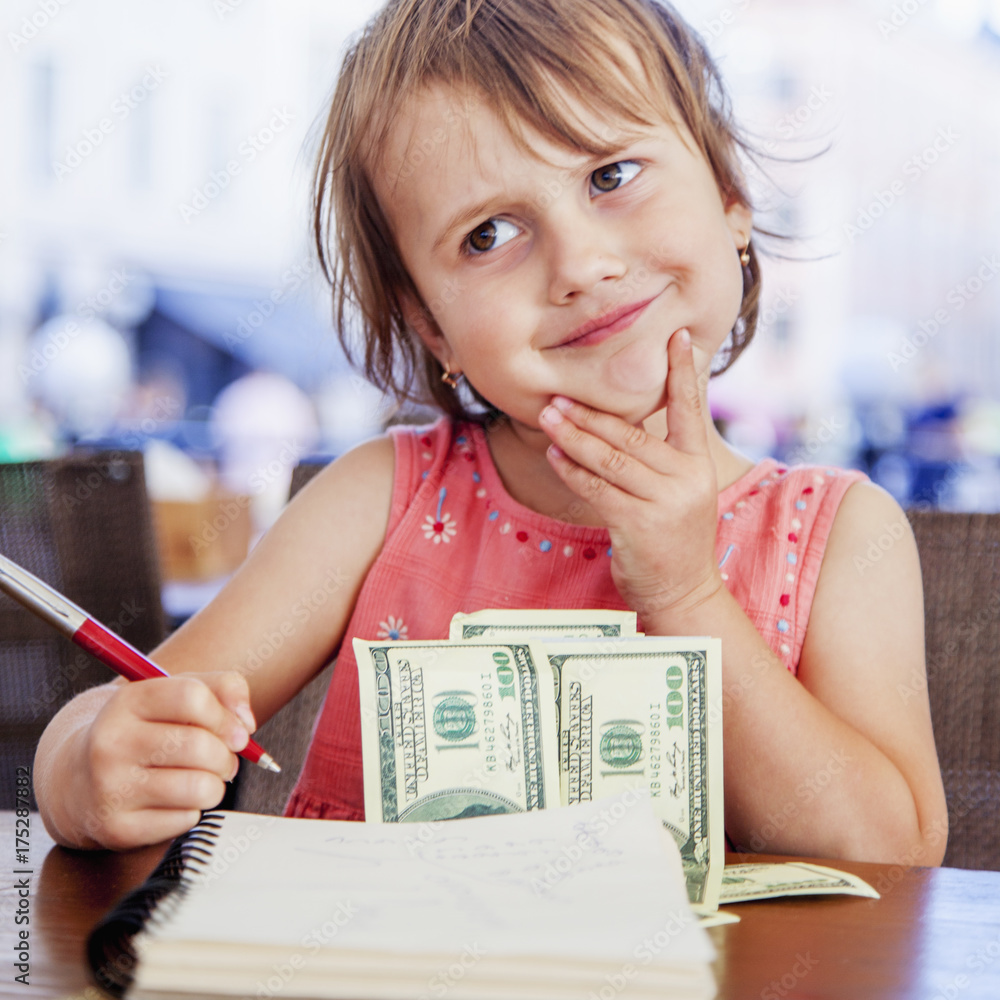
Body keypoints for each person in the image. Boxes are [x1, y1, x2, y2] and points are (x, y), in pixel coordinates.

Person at [34, 0, 948, 864]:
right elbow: (140, 704)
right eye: (488, 235)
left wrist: (688, 597)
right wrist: (83, 768)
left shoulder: (838, 537)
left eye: (612, 176)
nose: (581, 264)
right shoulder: (376, 503)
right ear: (433, 328)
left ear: (729, 201)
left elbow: (890, 856)